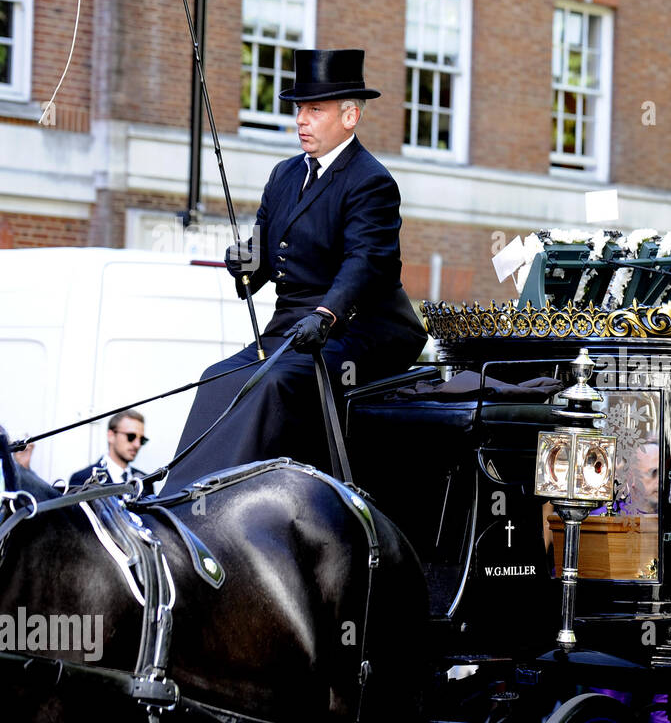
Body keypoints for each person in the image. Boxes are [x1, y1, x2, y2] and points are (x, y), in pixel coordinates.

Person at [165, 50, 427, 490]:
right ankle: (182, 500)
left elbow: (364, 262)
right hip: (290, 330)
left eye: (314, 110)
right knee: (217, 377)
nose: (301, 120)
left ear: (350, 116)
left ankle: (233, 496)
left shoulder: (371, 181)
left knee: (272, 384)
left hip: (355, 334)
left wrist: (326, 315)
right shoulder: (283, 175)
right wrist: (244, 262)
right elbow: (265, 258)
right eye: (299, 109)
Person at [68, 409, 155, 494]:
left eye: (142, 439)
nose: (137, 444)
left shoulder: (146, 481)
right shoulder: (83, 479)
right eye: (131, 436)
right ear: (111, 436)